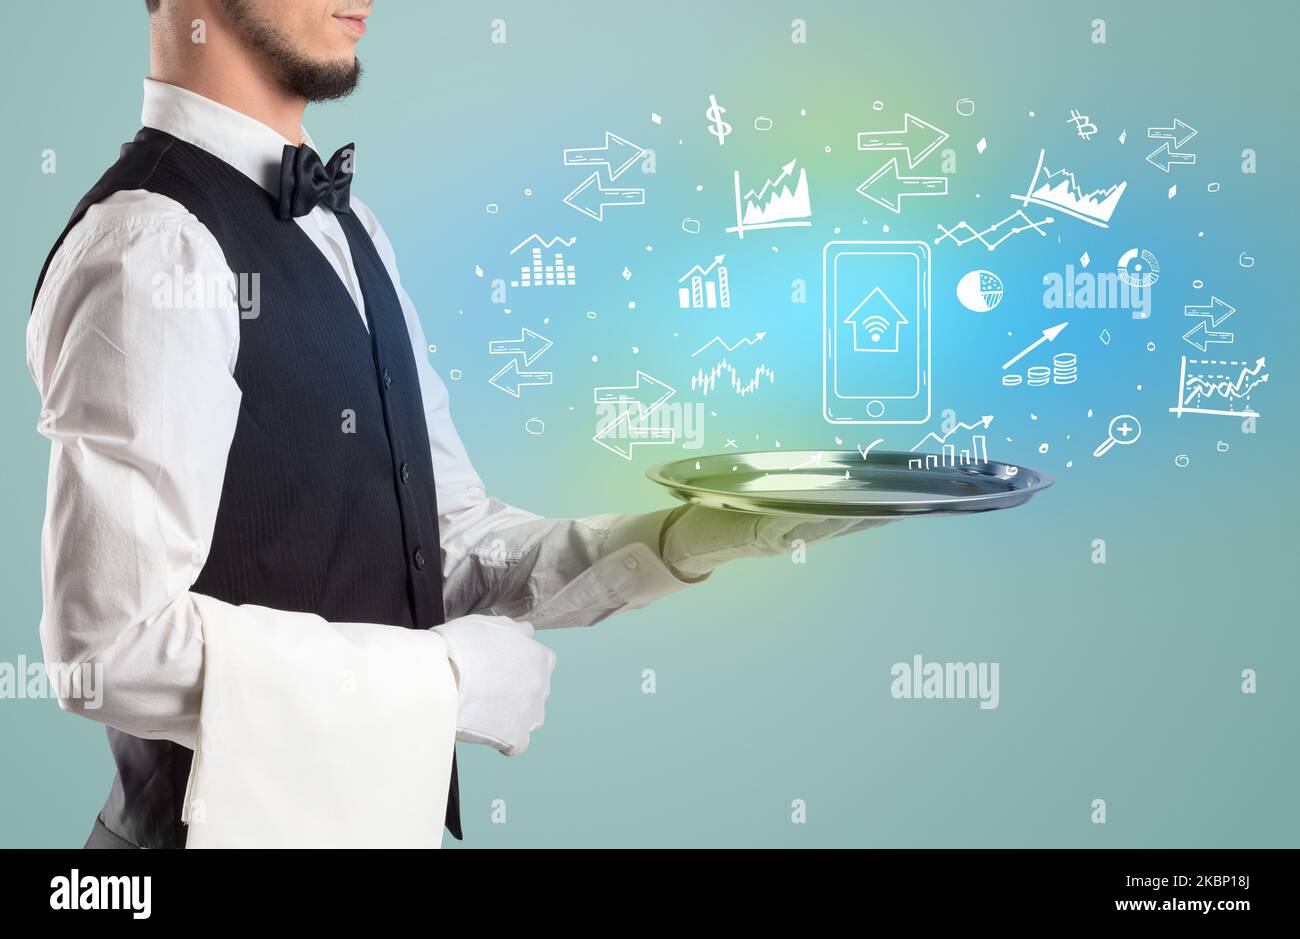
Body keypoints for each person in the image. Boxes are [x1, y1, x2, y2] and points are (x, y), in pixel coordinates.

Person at [28, 0, 884, 849]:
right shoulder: (149, 243)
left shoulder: (350, 224)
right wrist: (448, 679)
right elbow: (110, 647)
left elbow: (446, 542)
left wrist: (689, 538)